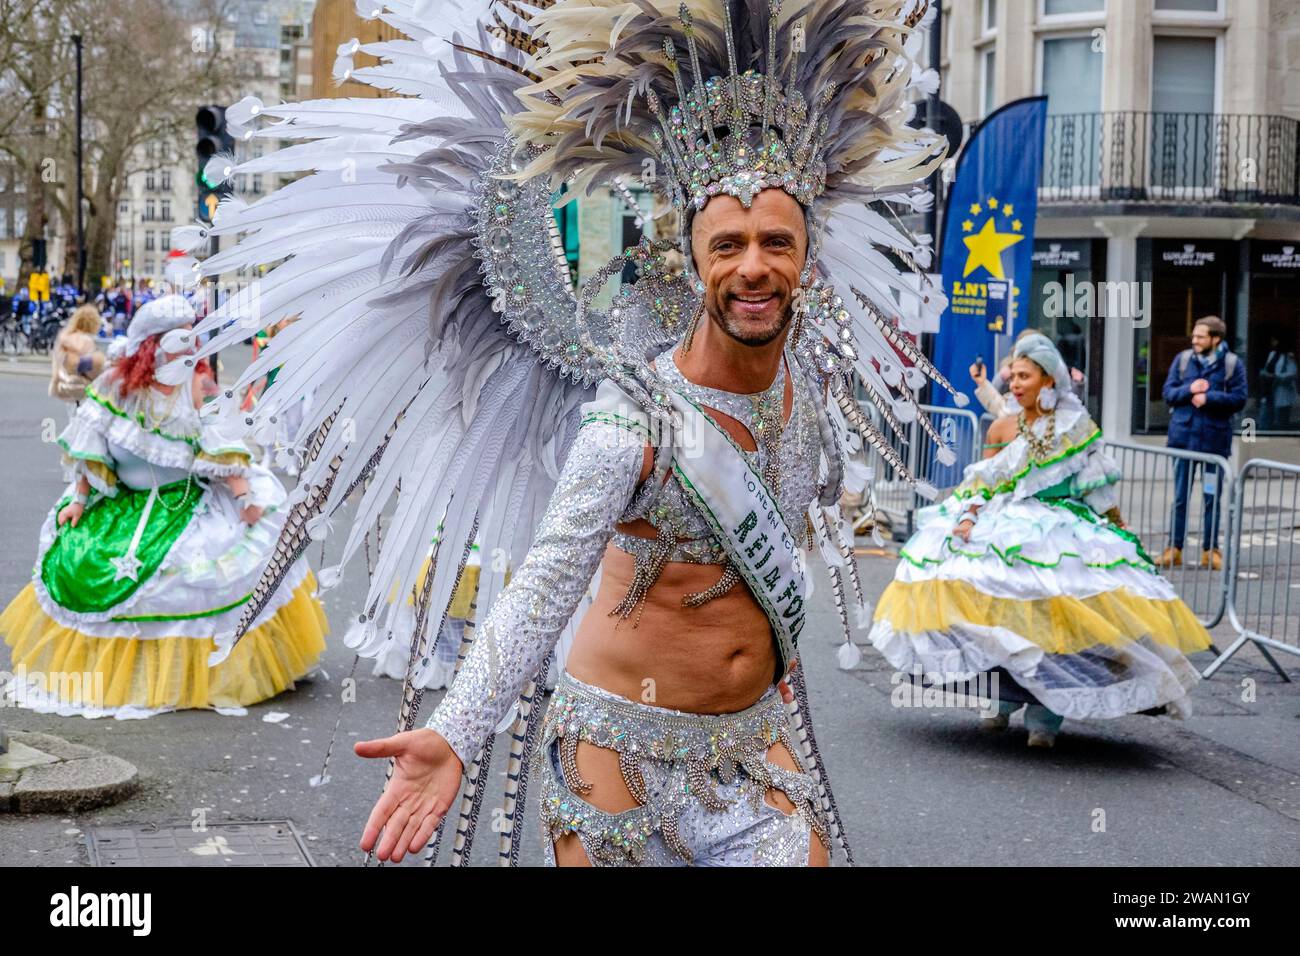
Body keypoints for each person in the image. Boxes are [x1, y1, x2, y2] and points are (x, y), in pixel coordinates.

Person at [168, 0, 953, 866]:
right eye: (727, 245)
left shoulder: (808, 400)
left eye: (777, 241)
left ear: (807, 255)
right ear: (692, 260)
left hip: (752, 753)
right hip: (617, 753)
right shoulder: (633, 421)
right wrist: (457, 735)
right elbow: (544, 586)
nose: (753, 267)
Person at [869, 334, 1212, 747]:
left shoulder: (1077, 426)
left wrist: (1122, 533)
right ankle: (1003, 698)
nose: (1014, 384)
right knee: (997, 604)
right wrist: (968, 513)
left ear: (1048, 380)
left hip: (1064, 524)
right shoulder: (1012, 424)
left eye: (1023, 376)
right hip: (1012, 519)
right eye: (1012, 376)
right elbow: (991, 477)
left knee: (1059, 614)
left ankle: (1046, 713)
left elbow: (1098, 489)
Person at [0, 294, 328, 717]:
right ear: (149, 350)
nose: (186, 356)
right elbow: (91, 447)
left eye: (189, 349)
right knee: (79, 562)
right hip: (124, 504)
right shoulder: (116, 391)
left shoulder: (193, 391)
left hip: (187, 502)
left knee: (191, 576)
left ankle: (199, 678)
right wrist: (79, 499)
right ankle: (117, 678)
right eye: (174, 348)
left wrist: (245, 497)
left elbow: (219, 444)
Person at [1157, 315, 1247, 570]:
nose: (1194, 340)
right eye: (1194, 336)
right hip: (1183, 442)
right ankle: (1174, 548)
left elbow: (1239, 398)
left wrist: (1209, 398)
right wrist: (1189, 390)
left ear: (1215, 339)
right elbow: (1168, 393)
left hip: (1213, 444)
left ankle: (1211, 550)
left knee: (1211, 497)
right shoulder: (1183, 360)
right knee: (1180, 497)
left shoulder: (1232, 364)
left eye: (1200, 336)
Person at [49, 304, 105, 404]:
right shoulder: (86, 340)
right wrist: (100, 363)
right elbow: (80, 365)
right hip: (79, 387)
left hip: (62, 385)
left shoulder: (65, 336)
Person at [1259, 335, 1297, 432]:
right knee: (1265, 421)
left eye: (1274, 341)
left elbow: (1292, 373)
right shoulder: (1272, 354)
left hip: (1282, 392)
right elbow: (1267, 368)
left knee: (1281, 422)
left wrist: (1277, 377)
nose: (1273, 343)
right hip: (1269, 392)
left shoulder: (1288, 356)